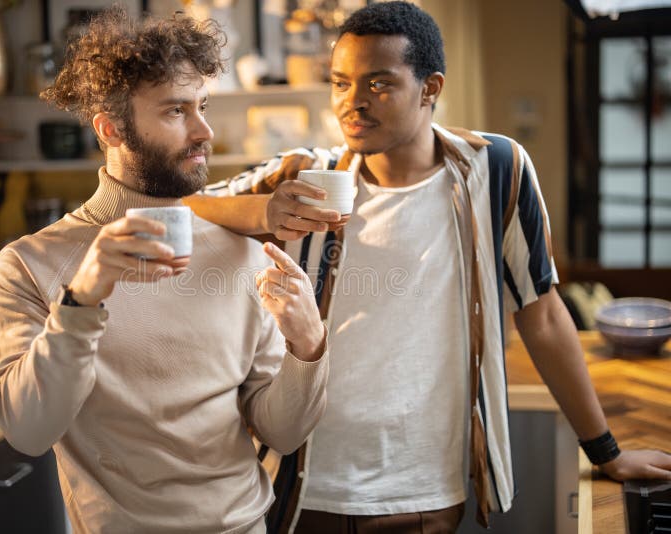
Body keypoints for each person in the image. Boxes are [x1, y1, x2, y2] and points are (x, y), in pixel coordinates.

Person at [184, 2, 671, 533]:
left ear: (430, 87)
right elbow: (180, 208)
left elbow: (544, 314)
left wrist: (604, 450)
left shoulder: (498, 169)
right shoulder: (306, 174)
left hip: (421, 490)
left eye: (379, 84)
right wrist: (263, 211)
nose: (354, 103)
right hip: (301, 481)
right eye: (341, 83)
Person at [0, 9, 329, 533]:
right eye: (176, 111)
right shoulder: (28, 266)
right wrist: (82, 299)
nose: (204, 130)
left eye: (203, 106)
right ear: (111, 127)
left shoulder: (242, 253)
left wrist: (307, 350)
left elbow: (282, 432)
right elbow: (29, 432)